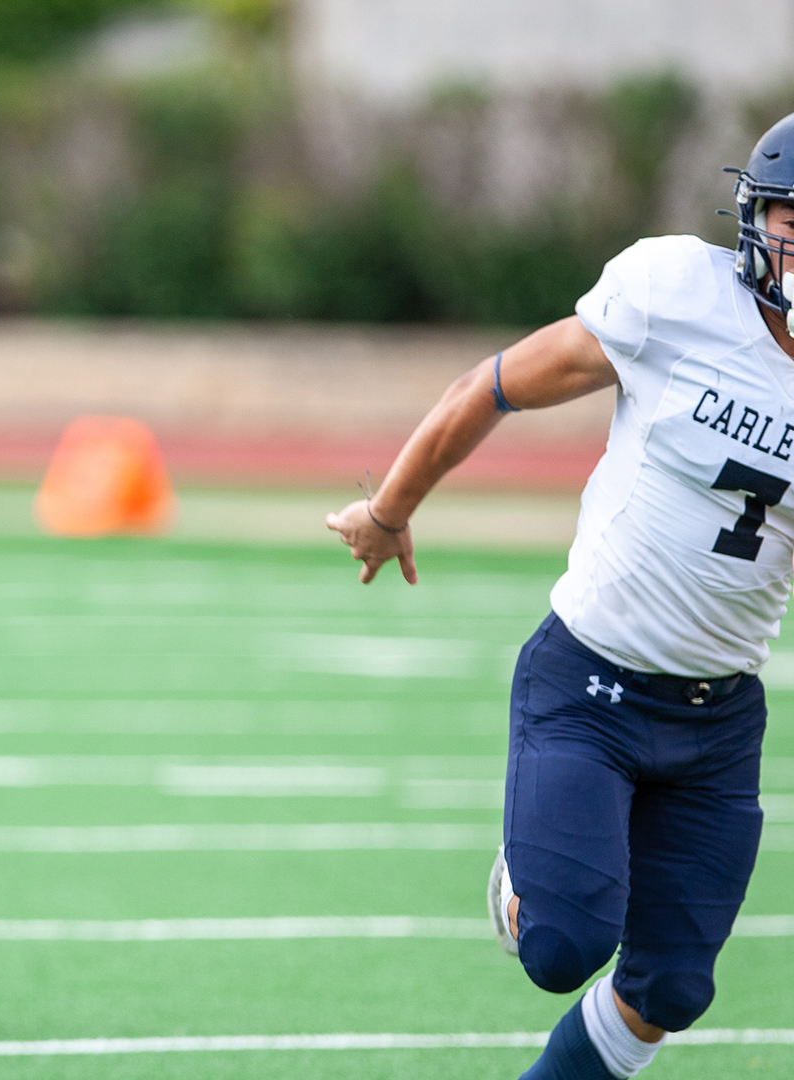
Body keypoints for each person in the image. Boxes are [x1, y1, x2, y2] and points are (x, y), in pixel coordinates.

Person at [325, 115, 794, 1079]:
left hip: (720, 719)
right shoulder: (675, 297)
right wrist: (389, 508)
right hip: (591, 683)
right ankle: (519, 885)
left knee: (671, 987)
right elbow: (491, 385)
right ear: (757, 219)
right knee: (562, 949)